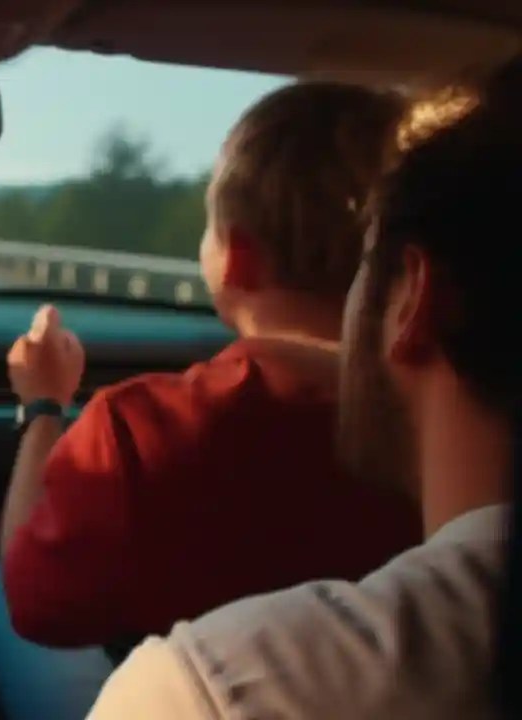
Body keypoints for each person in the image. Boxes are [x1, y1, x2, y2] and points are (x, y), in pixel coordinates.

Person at [90, 62, 520, 719]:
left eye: (363, 262)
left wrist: (39, 406)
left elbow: (32, 603)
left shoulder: (207, 689)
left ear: (414, 300)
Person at [0, 82, 421, 660]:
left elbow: (32, 603)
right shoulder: (463, 425)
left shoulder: (144, 432)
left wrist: (44, 407)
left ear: (237, 257)